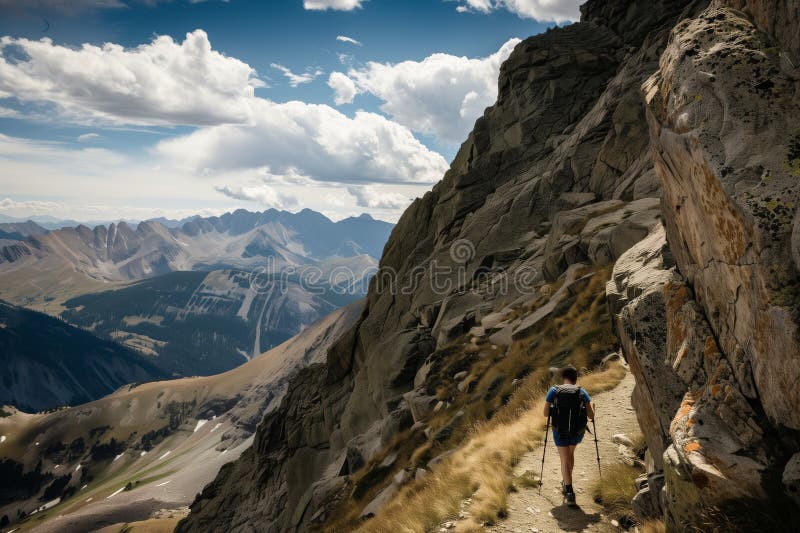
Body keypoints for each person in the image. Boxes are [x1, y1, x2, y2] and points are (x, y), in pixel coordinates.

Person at [543, 366, 594, 505]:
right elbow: (591, 415)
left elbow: (546, 413)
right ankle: (566, 481)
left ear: (563, 377)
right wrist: (593, 407)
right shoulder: (581, 391)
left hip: (560, 430)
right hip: (577, 431)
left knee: (564, 459)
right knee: (570, 455)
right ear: (576, 378)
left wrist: (554, 408)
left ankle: (570, 491)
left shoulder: (554, 390)